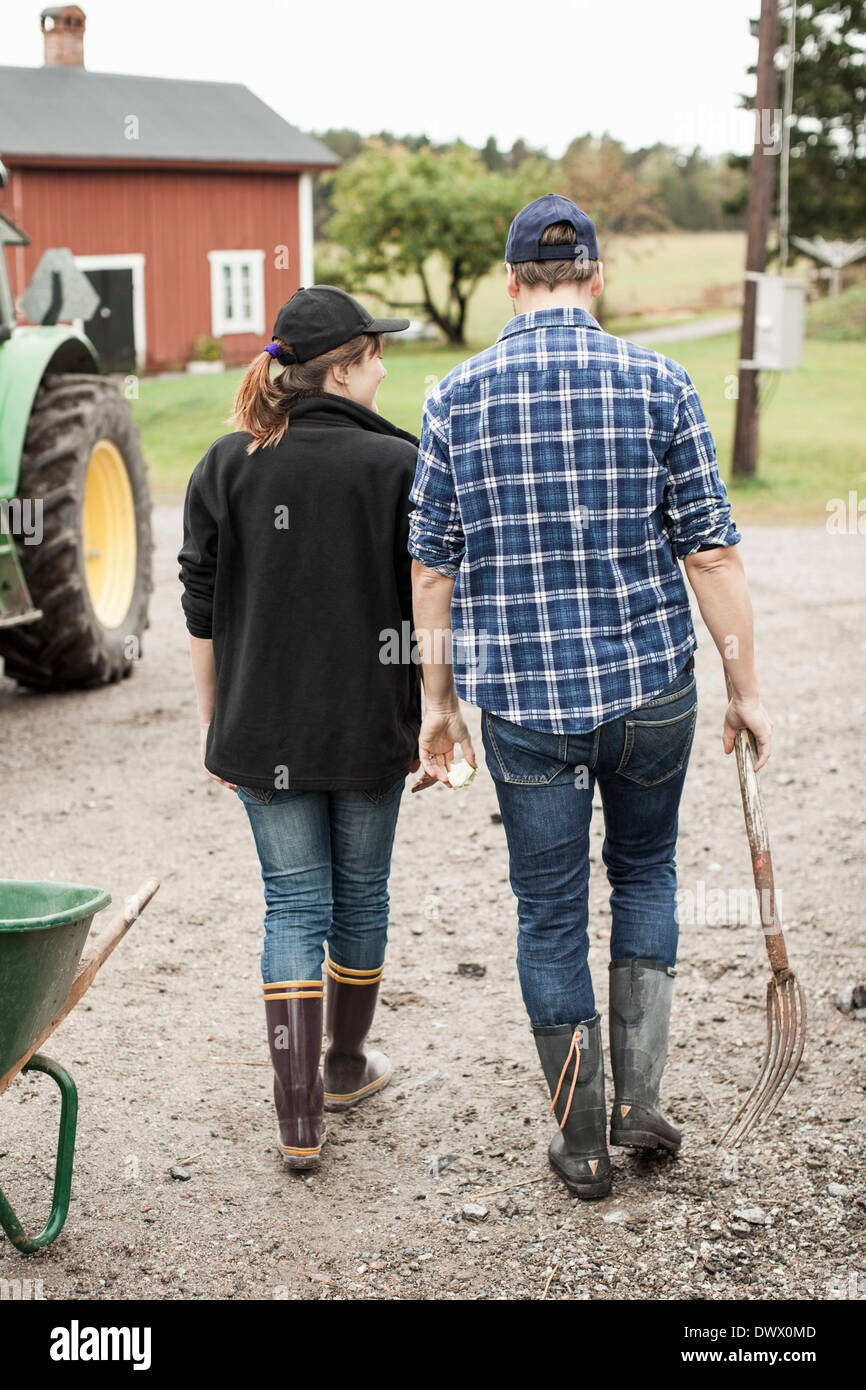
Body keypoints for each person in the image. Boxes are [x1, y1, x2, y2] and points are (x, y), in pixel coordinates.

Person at [408, 195, 773, 1200]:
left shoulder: (453, 398)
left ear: (511, 281)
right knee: (647, 873)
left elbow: (431, 570)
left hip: (524, 704)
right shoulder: (661, 381)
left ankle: (578, 1141)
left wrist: (436, 703)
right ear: (596, 278)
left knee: (548, 912)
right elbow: (709, 550)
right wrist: (744, 689)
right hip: (651, 689)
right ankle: (638, 1101)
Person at [178, 285, 427, 1171]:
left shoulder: (226, 463)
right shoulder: (399, 464)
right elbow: (428, 600)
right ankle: (348, 1066)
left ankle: (298, 1121)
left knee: (293, 905)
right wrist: (437, 716)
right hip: (367, 731)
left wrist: (217, 723)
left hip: (262, 730)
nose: (386, 368)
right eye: (377, 355)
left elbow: (200, 608)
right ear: (347, 368)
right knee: (359, 899)